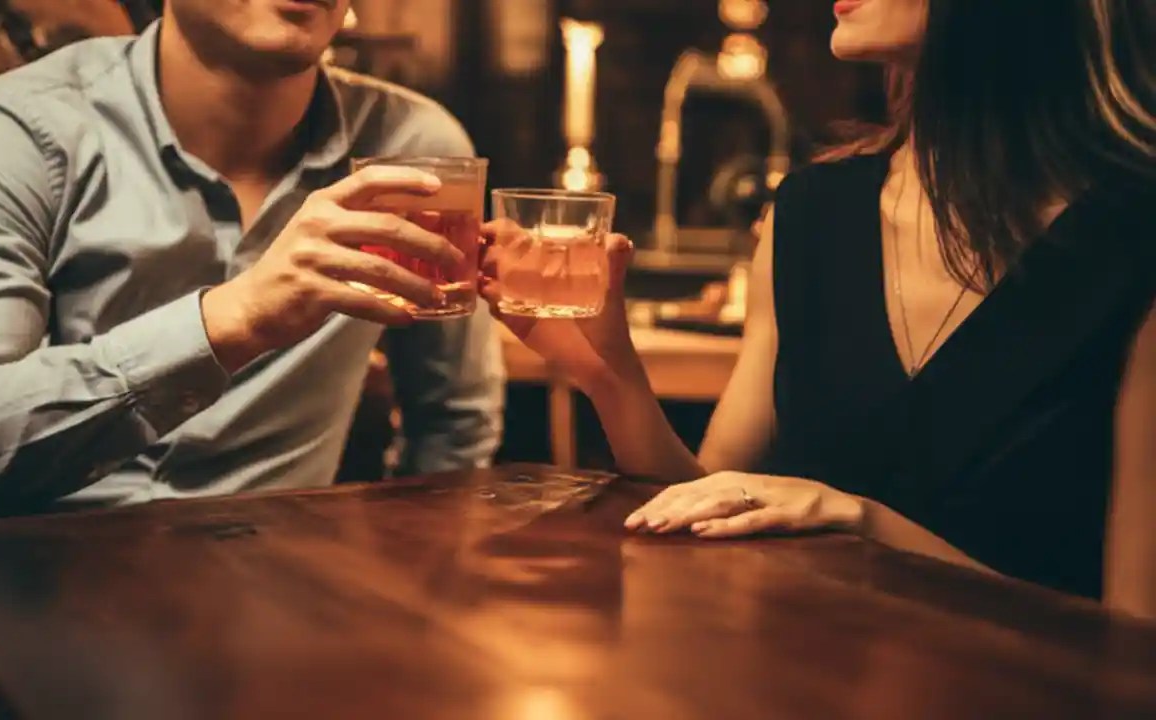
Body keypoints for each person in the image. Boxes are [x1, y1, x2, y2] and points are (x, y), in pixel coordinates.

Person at [484, 0, 1156, 617]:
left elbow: (1134, 640)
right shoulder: (810, 210)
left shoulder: (1133, 242)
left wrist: (864, 524)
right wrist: (611, 376)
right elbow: (715, 495)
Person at [0, 0, 504, 526]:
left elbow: (453, 422)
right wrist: (228, 322)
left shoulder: (414, 152)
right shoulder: (21, 131)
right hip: (34, 592)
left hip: (289, 606)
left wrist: (407, 579)